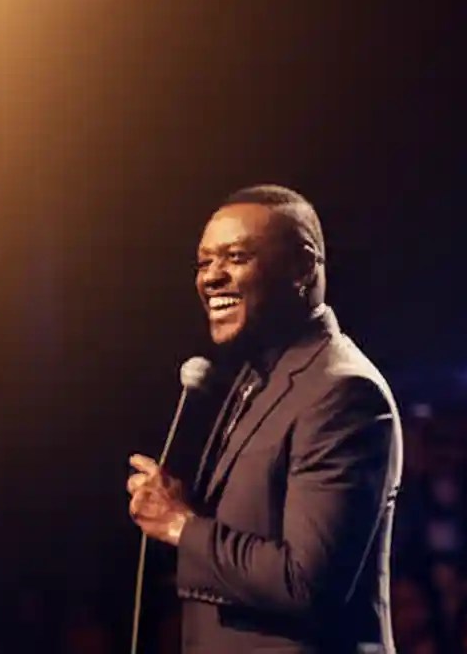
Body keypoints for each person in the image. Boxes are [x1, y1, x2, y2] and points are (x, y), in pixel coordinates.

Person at [125, 184, 403, 653]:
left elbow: (306, 582)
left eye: (235, 257)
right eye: (203, 262)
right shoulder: (257, 380)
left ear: (302, 268)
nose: (212, 277)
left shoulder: (344, 392)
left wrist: (181, 525)